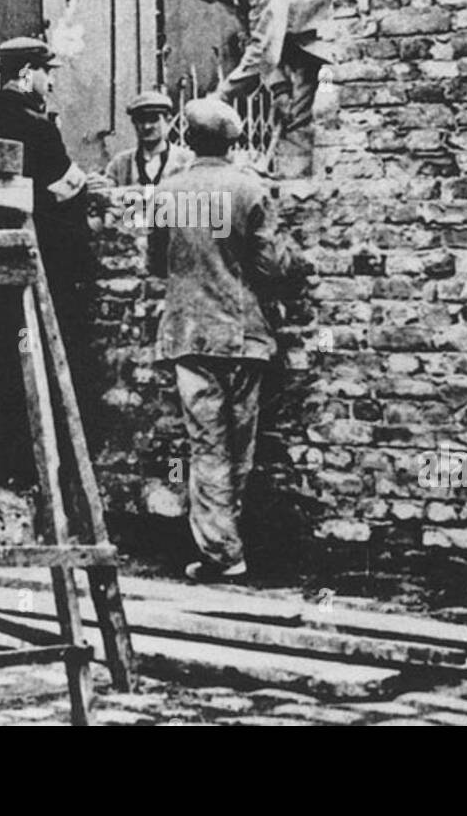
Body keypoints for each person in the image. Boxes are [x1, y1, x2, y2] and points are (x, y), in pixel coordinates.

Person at [148, 97, 291, 582]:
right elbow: (271, 268)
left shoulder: (166, 192)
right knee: (240, 447)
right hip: (243, 335)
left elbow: (155, 262)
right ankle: (229, 548)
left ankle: (221, 551)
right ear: (234, 143)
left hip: (189, 333)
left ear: (187, 140)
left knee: (205, 446)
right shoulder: (249, 189)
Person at [0, 37, 95, 488]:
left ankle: (4, 469)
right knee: (44, 362)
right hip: (40, 267)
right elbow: (66, 187)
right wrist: (84, 183)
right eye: (45, 71)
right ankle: (45, 470)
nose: (50, 81)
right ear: (26, 73)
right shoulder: (37, 125)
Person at [168, 0, 373, 179]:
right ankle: (295, 186)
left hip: (352, 22)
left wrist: (222, 94)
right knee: (295, 117)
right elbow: (260, 36)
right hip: (309, 40)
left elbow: (266, 49)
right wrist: (280, 89)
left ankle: (347, 179)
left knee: (328, 106)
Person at [104, 90, 195, 187]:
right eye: (141, 120)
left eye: (153, 119)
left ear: (167, 121)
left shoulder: (186, 160)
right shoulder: (120, 164)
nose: (147, 126)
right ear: (134, 123)